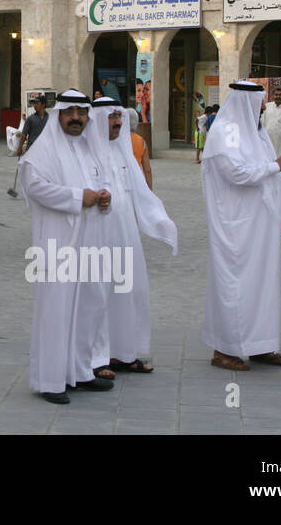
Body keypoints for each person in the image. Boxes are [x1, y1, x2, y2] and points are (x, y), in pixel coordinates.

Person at [19, 90, 113, 404]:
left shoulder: (90, 148)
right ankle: (51, 380)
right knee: (56, 310)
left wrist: (104, 197)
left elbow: (103, 183)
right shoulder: (43, 152)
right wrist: (77, 198)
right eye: (69, 111)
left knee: (90, 305)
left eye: (81, 112)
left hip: (91, 244)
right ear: (59, 114)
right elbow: (34, 185)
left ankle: (81, 371)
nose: (76, 117)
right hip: (57, 244)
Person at [201, 81, 281, 371]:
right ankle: (224, 349)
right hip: (236, 227)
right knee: (234, 285)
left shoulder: (256, 134)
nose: (264, 107)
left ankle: (259, 345)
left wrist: (279, 212)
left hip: (261, 225)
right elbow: (237, 173)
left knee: (263, 285)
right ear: (246, 104)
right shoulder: (223, 133)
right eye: (260, 104)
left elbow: (269, 179)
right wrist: (276, 166)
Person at [92, 97, 178, 375]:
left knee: (130, 294)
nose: (118, 122)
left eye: (120, 117)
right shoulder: (87, 153)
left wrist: (160, 222)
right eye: (111, 117)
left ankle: (124, 353)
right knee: (100, 298)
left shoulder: (123, 152)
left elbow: (142, 191)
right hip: (98, 241)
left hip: (127, 239)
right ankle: (97, 358)